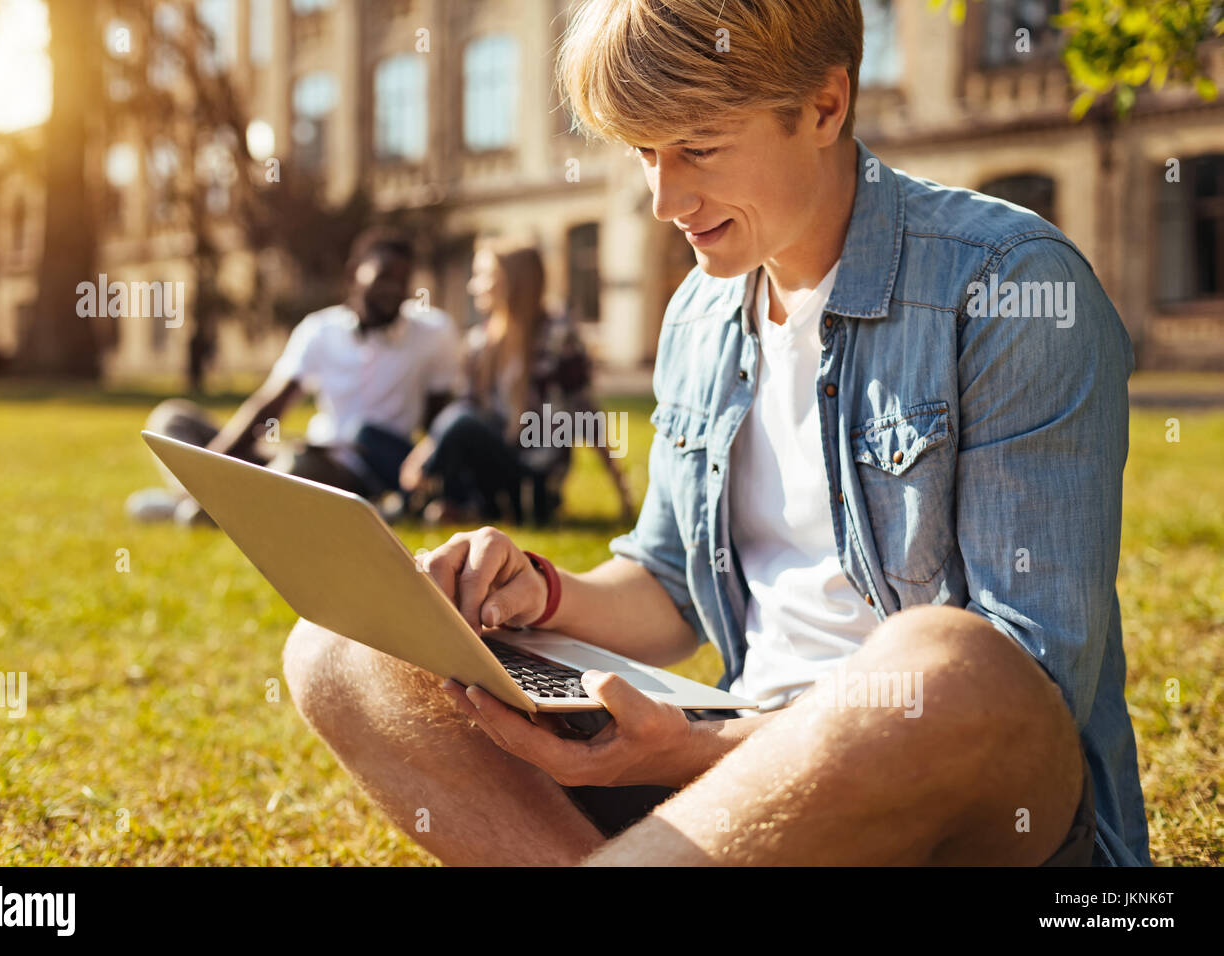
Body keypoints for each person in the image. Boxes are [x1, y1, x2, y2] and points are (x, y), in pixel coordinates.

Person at [280, 0, 1151, 867]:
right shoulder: (701, 313)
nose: (664, 199)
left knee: (945, 658)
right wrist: (535, 593)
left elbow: (1030, 683)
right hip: (727, 786)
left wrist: (700, 752)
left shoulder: (1009, 287)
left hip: (952, 807)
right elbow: (670, 585)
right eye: (644, 154)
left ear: (824, 105)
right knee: (341, 645)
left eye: (696, 147)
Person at [130, 229, 462, 524]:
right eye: (384, 276)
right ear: (353, 274)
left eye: (402, 282)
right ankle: (197, 499)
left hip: (361, 471)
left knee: (295, 469)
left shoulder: (432, 334)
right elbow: (271, 405)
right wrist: (208, 466)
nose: (394, 289)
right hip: (312, 450)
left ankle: (196, 509)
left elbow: (440, 422)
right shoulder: (320, 330)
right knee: (172, 420)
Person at [399, 240, 634, 525]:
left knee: (463, 421)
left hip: (532, 479)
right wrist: (419, 456)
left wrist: (621, 490)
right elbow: (464, 408)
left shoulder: (557, 338)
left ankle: (414, 503)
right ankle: (451, 502)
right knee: (382, 434)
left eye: (484, 275)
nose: (474, 285)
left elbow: (586, 413)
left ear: (512, 281)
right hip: (493, 468)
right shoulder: (480, 343)